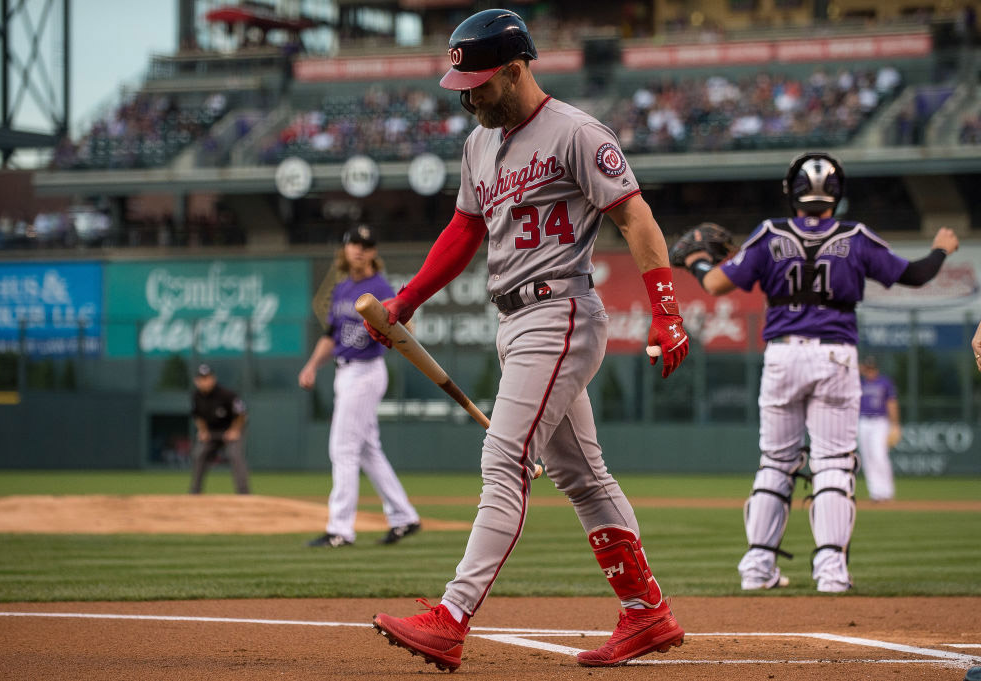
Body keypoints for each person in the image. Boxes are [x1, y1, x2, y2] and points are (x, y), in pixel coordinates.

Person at [366, 9, 690, 671]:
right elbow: (463, 231)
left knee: (504, 460)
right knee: (581, 476)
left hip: (560, 310)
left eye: (479, 83)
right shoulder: (477, 145)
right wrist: (406, 300)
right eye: (461, 85)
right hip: (514, 321)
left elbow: (635, 216)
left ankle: (451, 617)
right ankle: (646, 611)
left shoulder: (576, 132)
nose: (468, 97)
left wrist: (667, 310)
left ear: (515, 70)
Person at [677, 151, 959, 593]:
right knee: (833, 464)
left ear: (791, 192)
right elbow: (917, 275)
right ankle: (831, 572)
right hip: (834, 355)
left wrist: (697, 259)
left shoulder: (769, 233)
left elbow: (714, 284)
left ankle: (757, 567)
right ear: (836, 193)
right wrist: (941, 248)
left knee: (775, 462)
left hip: (783, 354)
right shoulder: (856, 236)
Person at [299, 225, 421, 548]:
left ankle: (340, 529)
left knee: (343, 448)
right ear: (345, 249)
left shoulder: (379, 287)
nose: (359, 249)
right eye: (354, 243)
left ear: (373, 252)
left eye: (365, 245)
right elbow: (331, 336)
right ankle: (404, 516)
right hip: (344, 372)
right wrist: (312, 365)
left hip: (365, 372)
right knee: (367, 450)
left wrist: (405, 322)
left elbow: (405, 323)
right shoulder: (341, 289)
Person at [189, 363, 251, 494]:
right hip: (211, 433)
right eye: (202, 378)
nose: (205, 381)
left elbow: (242, 414)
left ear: (213, 378)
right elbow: (197, 416)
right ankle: (195, 492)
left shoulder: (227, 394)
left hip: (230, 431)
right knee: (199, 453)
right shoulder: (196, 396)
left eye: (207, 377)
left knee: (234, 455)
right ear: (196, 381)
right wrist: (203, 431)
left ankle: (243, 493)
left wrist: (234, 430)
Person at [857, 356, 899, 502]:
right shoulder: (860, 383)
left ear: (877, 368)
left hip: (880, 422)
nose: (870, 371)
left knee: (879, 455)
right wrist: (860, 369)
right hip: (863, 422)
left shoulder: (884, 382)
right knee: (867, 457)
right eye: (867, 368)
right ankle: (875, 492)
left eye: (872, 368)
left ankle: (887, 491)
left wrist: (895, 424)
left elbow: (892, 403)